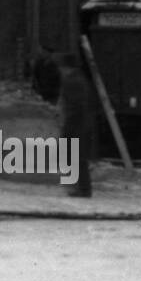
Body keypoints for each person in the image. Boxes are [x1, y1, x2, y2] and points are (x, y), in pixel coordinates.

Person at [57, 52, 93, 197]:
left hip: (76, 125)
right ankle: (82, 188)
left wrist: (67, 127)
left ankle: (81, 189)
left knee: (76, 158)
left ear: (66, 67)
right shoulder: (80, 79)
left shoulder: (71, 81)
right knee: (79, 158)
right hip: (82, 124)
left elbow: (74, 106)